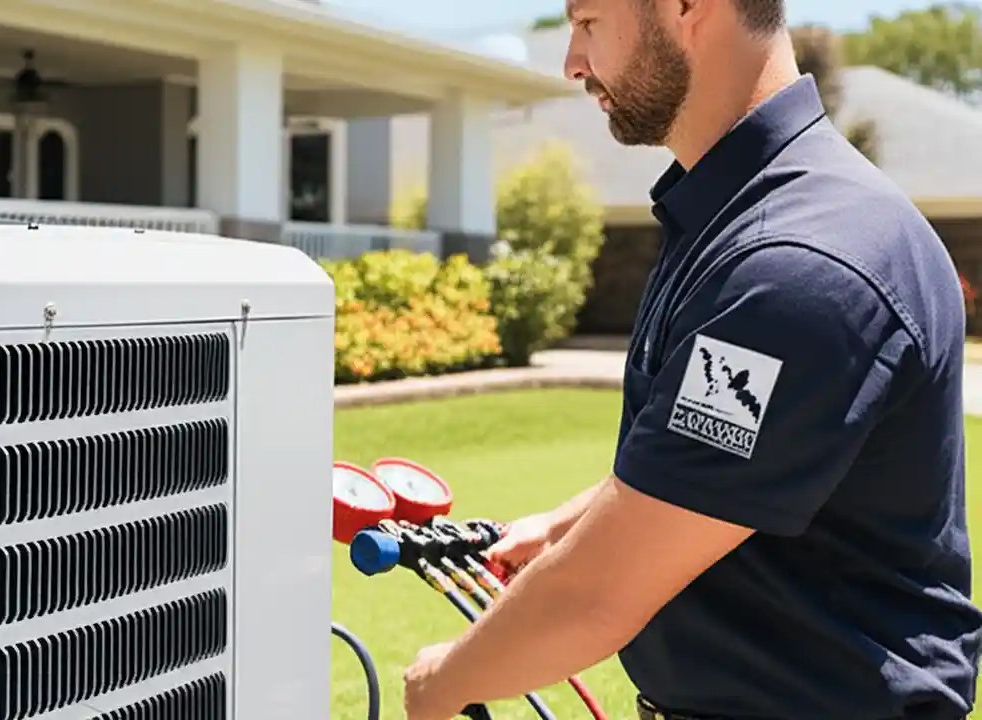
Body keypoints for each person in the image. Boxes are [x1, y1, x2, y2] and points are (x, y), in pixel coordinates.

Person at [401, 0, 982, 718]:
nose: (572, 63)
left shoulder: (798, 261)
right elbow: (729, 459)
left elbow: (595, 596)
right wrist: (567, 525)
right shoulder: (751, 217)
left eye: (588, 23)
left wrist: (440, 684)